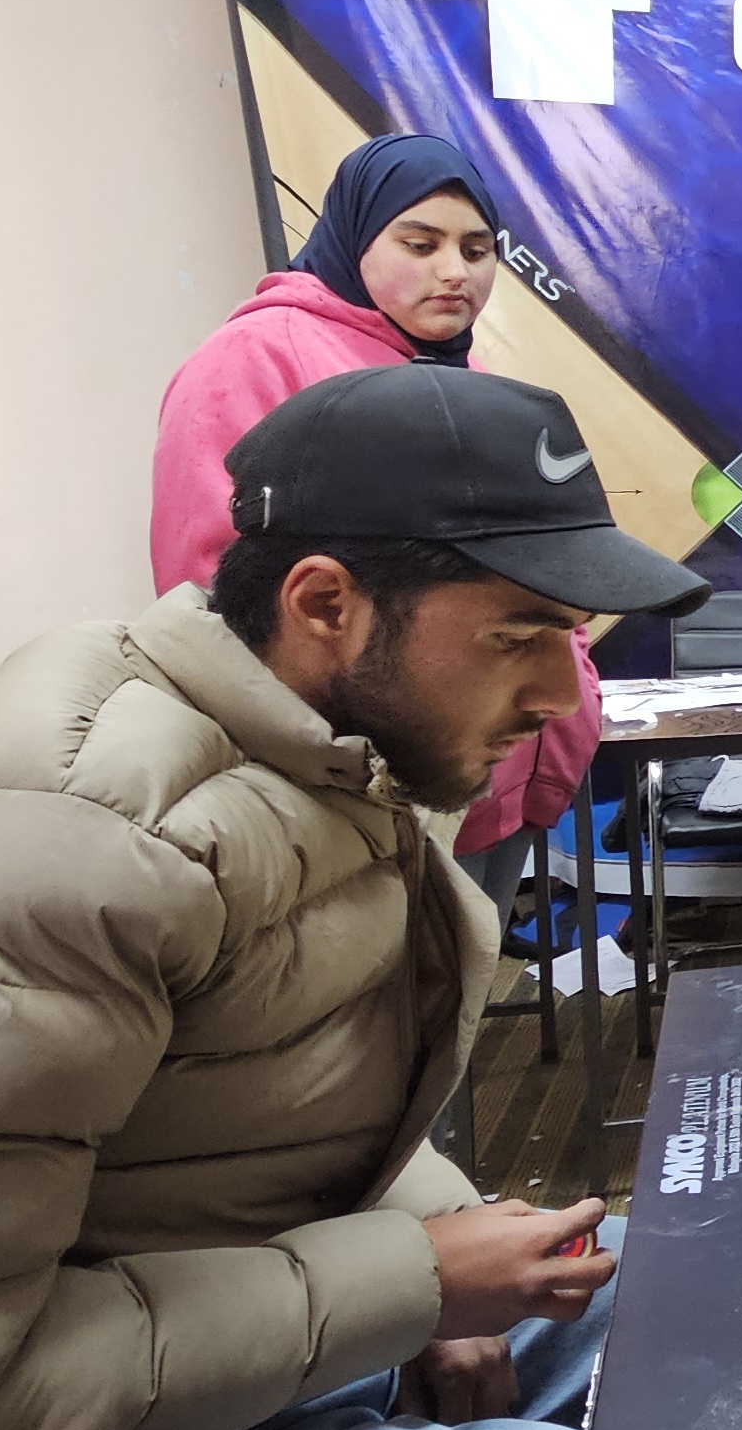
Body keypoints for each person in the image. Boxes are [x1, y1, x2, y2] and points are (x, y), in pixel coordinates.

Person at [0, 364, 709, 1430]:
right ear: (325, 602)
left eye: (568, 637)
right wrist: (415, 1284)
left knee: (728, 1293)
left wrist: (425, 1252)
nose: (554, 691)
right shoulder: (92, 843)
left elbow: (283, 1117)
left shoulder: (329, 742)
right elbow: (9, 1391)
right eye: (518, 634)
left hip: (289, 1316)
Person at [151, 133, 603, 915]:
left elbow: (538, 569)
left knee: (456, 982)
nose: (455, 271)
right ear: (356, 237)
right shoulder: (256, 357)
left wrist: (571, 699)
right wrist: (333, 760)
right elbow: (221, 593)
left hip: (489, 772)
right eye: (420, 244)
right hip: (353, 792)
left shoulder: (471, 378)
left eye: (477, 249)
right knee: (356, 982)